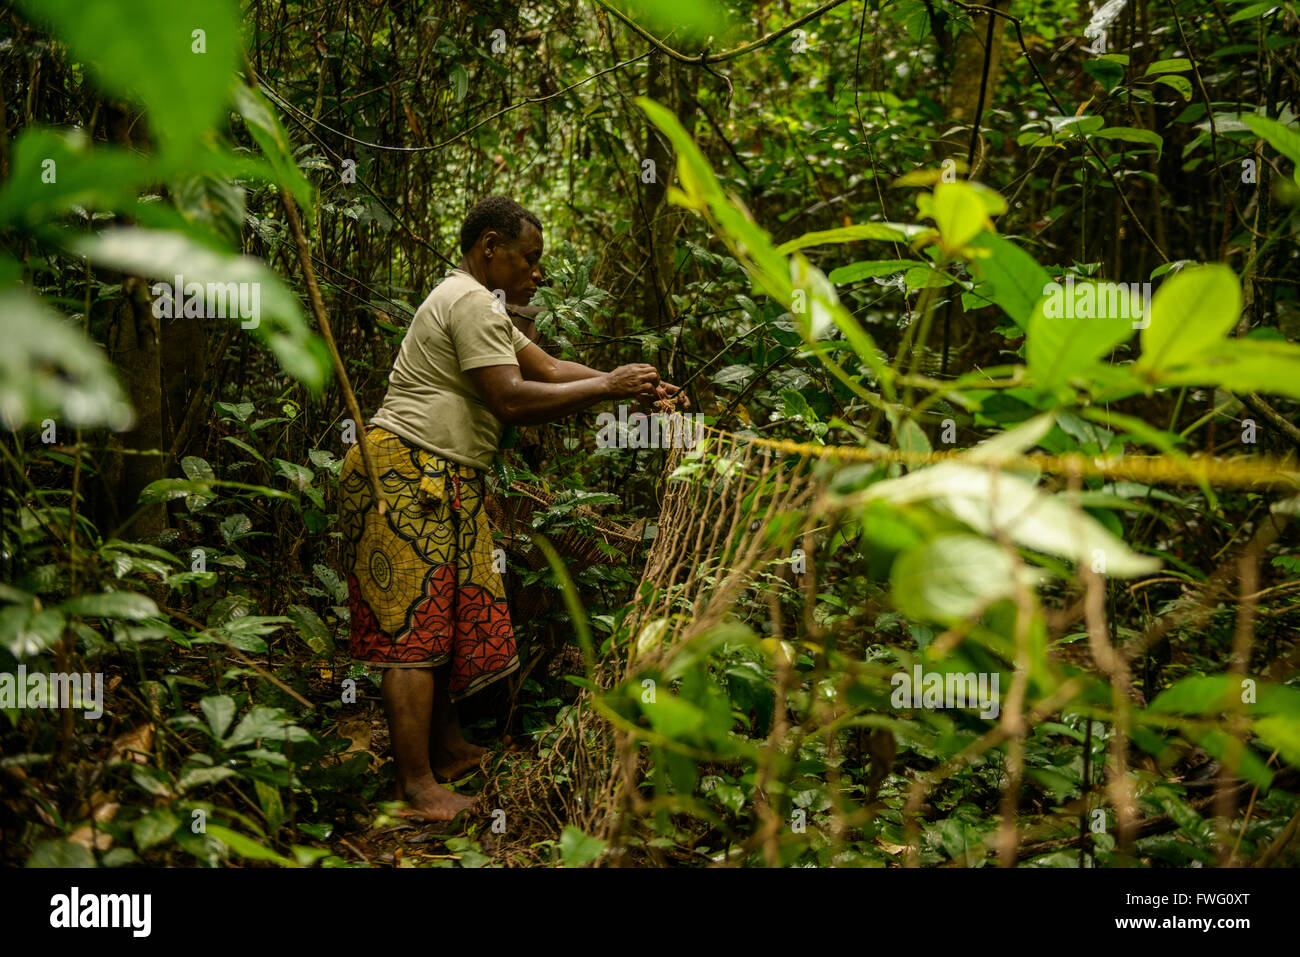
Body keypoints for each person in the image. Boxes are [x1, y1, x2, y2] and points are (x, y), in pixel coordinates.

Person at [337, 196, 686, 821]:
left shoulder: (484, 305)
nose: (536, 274)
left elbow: (548, 368)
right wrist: (608, 387)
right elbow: (512, 401)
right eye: (529, 260)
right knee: (414, 628)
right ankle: (415, 786)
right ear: (490, 247)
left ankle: (443, 750)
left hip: (441, 474)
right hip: (403, 471)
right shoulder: (468, 300)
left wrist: (634, 387)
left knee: (441, 614)